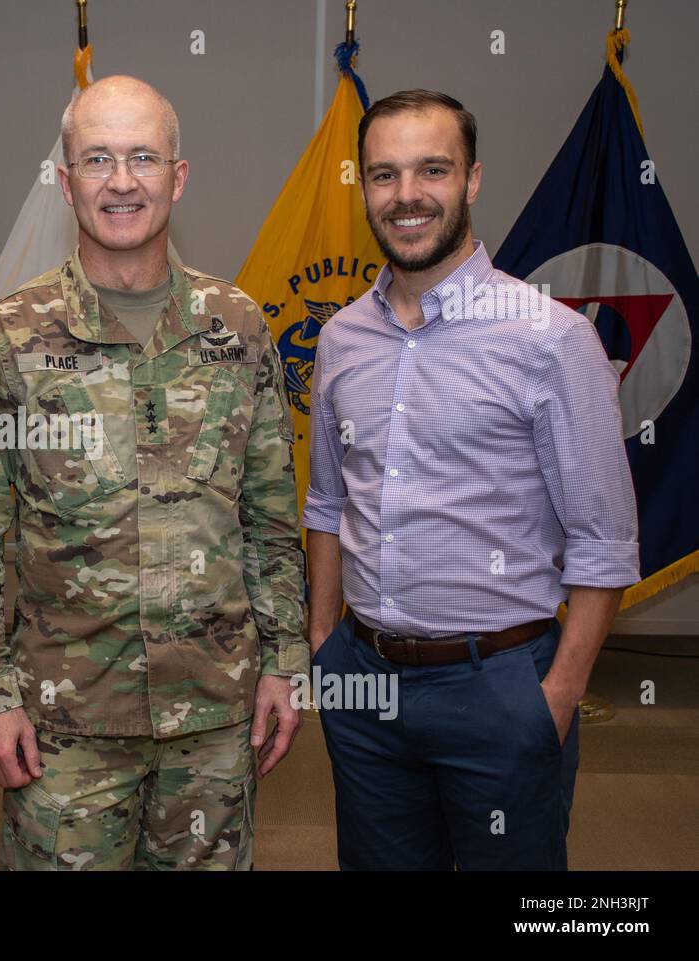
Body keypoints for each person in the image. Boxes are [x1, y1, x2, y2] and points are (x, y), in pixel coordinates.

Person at [0, 75, 307, 870]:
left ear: (179, 175)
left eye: (143, 157)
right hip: (65, 725)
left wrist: (285, 661)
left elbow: (270, 517)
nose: (123, 181)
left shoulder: (236, 327)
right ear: (66, 182)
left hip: (214, 715)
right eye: (98, 159)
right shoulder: (7, 338)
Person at [303, 89, 639, 870]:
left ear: (473, 180)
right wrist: (324, 644)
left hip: (500, 688)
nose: (407, 195)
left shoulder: (552, 339)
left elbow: (605, 540)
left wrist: (554, 698)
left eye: (433, 170)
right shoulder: (341, 337)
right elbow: (326, 501)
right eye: (384, 175)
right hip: (363, 681)